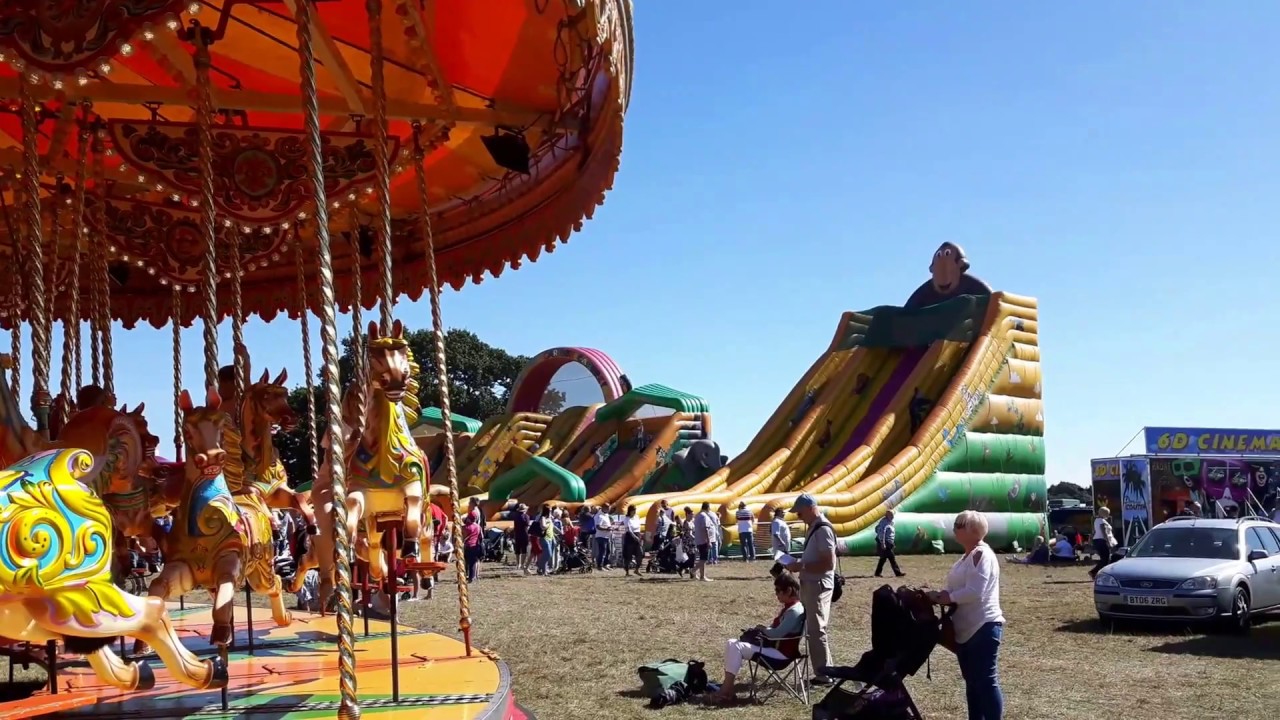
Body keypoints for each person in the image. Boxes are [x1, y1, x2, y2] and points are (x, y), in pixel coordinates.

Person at [930, 510, 1005, 720]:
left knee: (986, 681)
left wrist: (949, 598)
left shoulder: (982, 555)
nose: (954, 528)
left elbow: (975, 591)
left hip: (982, 626)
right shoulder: (966, 557)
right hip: (966, 629)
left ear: (973, 530)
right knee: (972, 683)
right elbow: (958, 588)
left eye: (959, 524)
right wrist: (940, 595)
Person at [710, 570, 806, 704]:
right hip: (774, 650)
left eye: (778, 591)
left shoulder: (794, 611)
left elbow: (777, 634)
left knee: (735, 646)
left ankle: (726, 691)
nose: (776, 594)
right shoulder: (791, 608)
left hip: (780, 656)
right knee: (732, 643)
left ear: (789, 590)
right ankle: (728, 688)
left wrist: (762, 629)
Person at [785, 493, 835, 685]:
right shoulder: (814, 527)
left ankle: (824, 674)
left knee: (816, 629)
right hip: (811, 583)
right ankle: (826, 669)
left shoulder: (823, 529)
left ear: (810, 508)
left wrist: (802, 566)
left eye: (800, 513)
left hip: (818, 585)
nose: (799, 517)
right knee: (813, 629)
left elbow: (828, 563)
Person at [874, 509, 905, 578]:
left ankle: (877, 573)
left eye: (893, 515)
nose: (892, 516)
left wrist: (892, 543)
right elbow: (882, 533)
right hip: (886, 542)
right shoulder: (884, 522)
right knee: (891, 558)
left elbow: (890, 533)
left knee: (883, 558)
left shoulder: (891, 522)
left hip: (889, 542)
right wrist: (883, 543)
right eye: (891, 515)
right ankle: (898, 573)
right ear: (887, 515)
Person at [1089, 507, 1116, 579]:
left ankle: (1095, 572)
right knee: (1106, 559)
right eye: (1107, 513)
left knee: (1104, 559)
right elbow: (1104, 532)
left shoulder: (1097, 520)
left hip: (1098, 540)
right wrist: (1108, 542)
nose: (1108, 515)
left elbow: (1094, 531)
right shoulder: (1101, 521)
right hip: (1102, 540)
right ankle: (1095, 572)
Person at [694, 502, 714, 582]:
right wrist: (708, 541)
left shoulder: (698, 515)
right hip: (703, 540)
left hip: (699, 539)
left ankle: (702, 576)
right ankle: (693, 570)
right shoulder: (703, 516)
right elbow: (705, 529)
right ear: (708, 507)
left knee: (702, 558)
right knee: (704, 559)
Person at [622, 505, 643, 575]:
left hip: (637, 534)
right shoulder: (626, 519)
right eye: (633, 510)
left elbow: (639, 527)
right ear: (630, 511)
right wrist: (634, 536)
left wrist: (640, 536)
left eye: (635, 510)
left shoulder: (637, 517)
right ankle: (627, 571)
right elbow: (629, 529)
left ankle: (637, 569)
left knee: (640, 553)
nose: (634, 511)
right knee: (628, 555)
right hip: (629, 537)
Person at [462, 515, 482, 582]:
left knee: (467, 562)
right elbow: (481, 536)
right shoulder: (478, 526)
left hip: (468, 545)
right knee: (473, 562)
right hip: (475, 545)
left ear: (469, 519)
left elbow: (463, 535)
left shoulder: (466, 527)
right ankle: (473, 576)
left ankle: (468, 577)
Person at [512, 503, 531, 574]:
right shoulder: (526, 516)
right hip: (524, 534)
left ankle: (518, 564)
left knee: (517, 550)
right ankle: (522, 564)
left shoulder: (516, 516)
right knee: (524, 550)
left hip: (517, 534)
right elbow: (527, 525)